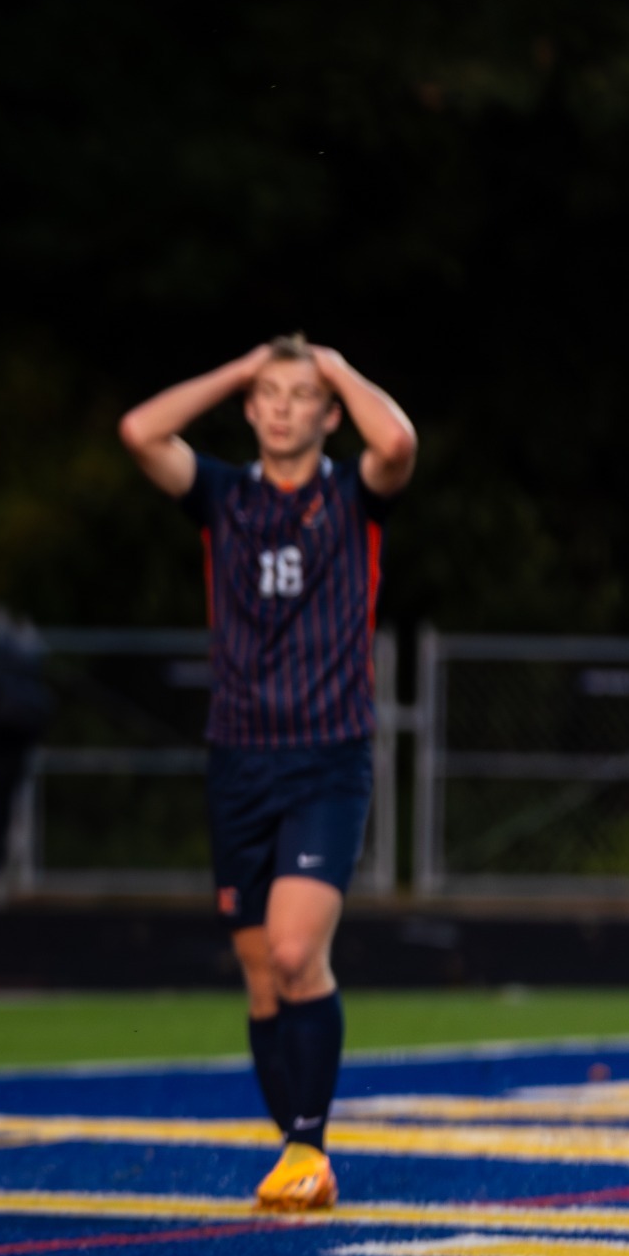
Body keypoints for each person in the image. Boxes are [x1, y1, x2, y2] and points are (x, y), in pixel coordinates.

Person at [118, 335, 416, 1211]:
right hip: (237, 760)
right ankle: (297, 1150)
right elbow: (139, 429)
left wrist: (338, 367)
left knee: (295, 951)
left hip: (328, 759)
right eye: (271, 394)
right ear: (252, 407)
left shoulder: (352, 496)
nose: (285, 407)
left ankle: (309, 1143)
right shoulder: (224, 496)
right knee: (259, 976)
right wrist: (240, 367)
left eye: (302, 395)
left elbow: (396, 444)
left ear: (328, 414)